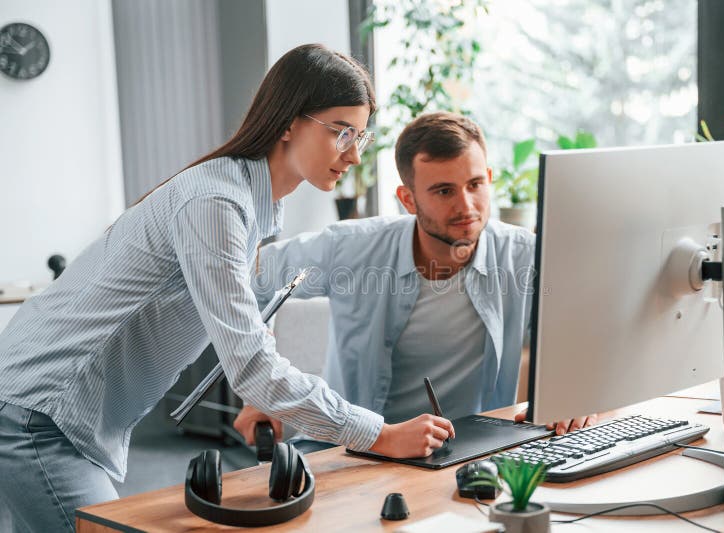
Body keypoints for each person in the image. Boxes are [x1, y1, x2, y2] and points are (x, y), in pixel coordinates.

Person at [0, 44, 453, 533]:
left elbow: (241, 311)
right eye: (342, 132)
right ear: (288, 122)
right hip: (38, 412)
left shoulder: (245, 200)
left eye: (361, 136)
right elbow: (252, 365)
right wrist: (378, 434)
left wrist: (268, 391)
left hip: (53, 411)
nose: (354, 154)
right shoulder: (216, 201)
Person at [233, 111, 596, 451]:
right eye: (444, 191)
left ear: (489, 179)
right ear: (408, 199)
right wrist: (262, 386)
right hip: (348, 450)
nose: (466, 206)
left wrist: (577, 394)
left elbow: (582, 331)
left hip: (470, 451)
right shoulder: (349, 248)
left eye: (474, 184)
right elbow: (241, 278)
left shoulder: (525, 256)